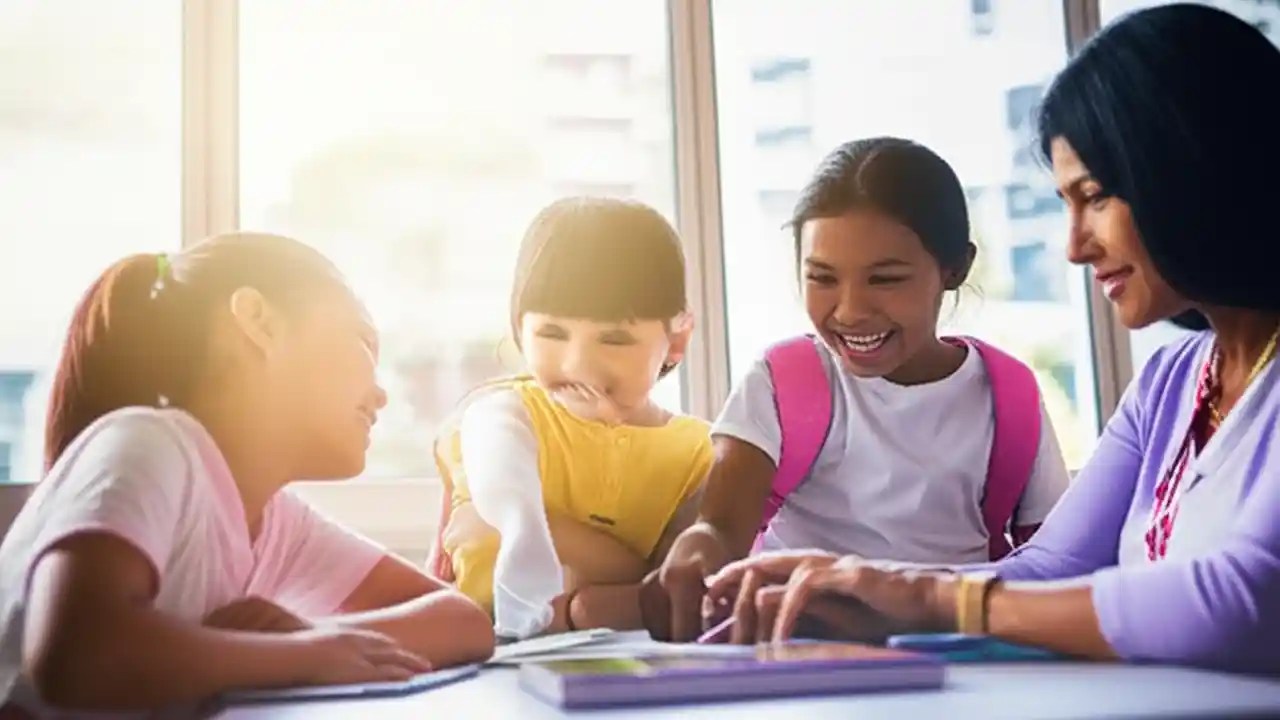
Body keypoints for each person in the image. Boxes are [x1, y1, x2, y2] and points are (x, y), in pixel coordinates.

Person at [699, 4, 1280, 675]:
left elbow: (1249, 601)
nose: (1073, 247)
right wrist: (853, 588)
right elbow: (1049, 568)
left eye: (1093, 197)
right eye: (1064, 203)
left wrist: (928, 596)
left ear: (1193, 169)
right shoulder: (1170, 384)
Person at [0, 233, 495, 716]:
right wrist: (305, 657)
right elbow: (79, 653)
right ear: (259, 322)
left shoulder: (274, 520)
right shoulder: (146, 444)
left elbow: (464, 623)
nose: (381, 393)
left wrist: (309, 636)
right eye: (364, 343)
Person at [646, 138, 1069, 641]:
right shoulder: (783, 381)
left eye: (885, 279)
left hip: (955, 650)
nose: (849, 311)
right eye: (822, 278)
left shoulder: (1009, 396)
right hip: (801, 650)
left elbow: (1055, 560)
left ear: (955, 269)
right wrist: (699, 548)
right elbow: (721, 526)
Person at [428, 198, 713, 640]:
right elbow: (489, 526)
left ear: (677, 339)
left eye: (615, 339)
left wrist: (589, 592)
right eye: (552, 333)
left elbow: (664, 588)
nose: (578, 364)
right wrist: (609, 573)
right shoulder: (498, 416)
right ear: (519, 326)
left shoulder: (701, 453)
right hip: (478, 655)